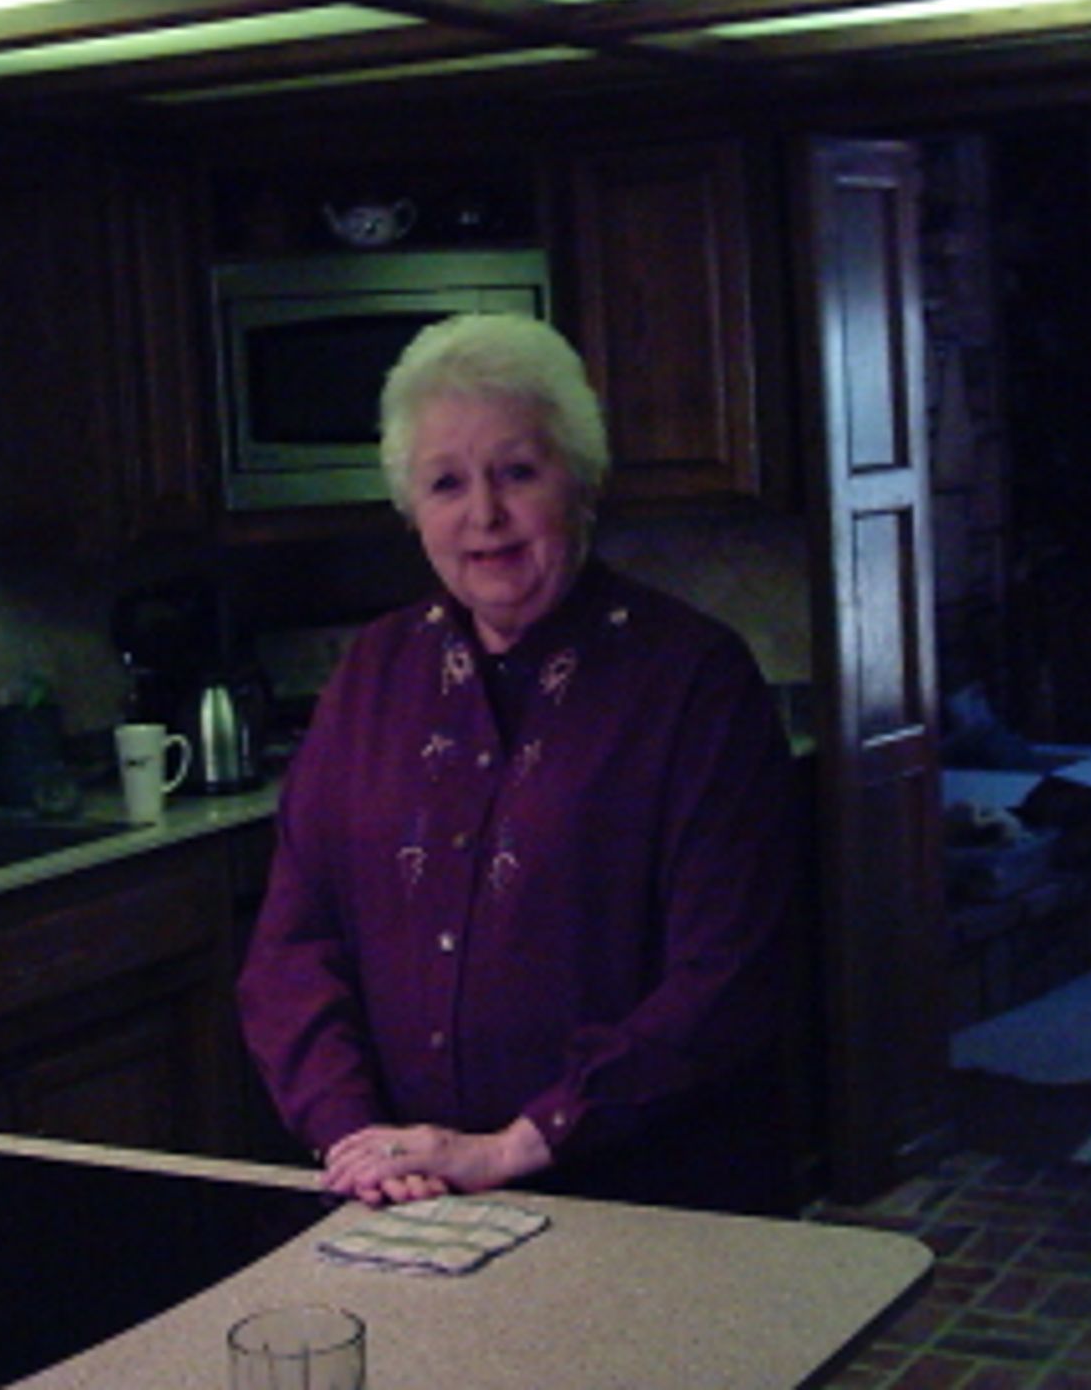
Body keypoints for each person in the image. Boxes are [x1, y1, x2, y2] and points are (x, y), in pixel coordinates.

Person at [236, 312, 802, 1212]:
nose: (484, 516)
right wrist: (356, 1140)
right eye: (446, 483)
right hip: (410, 1203)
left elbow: (729, 974)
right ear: (412, 509)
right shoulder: (372, 673)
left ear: (581, 479)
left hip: (647, 1201)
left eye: (518, 473)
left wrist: (516, 1146)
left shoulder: (695, 680)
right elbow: (292, 948)